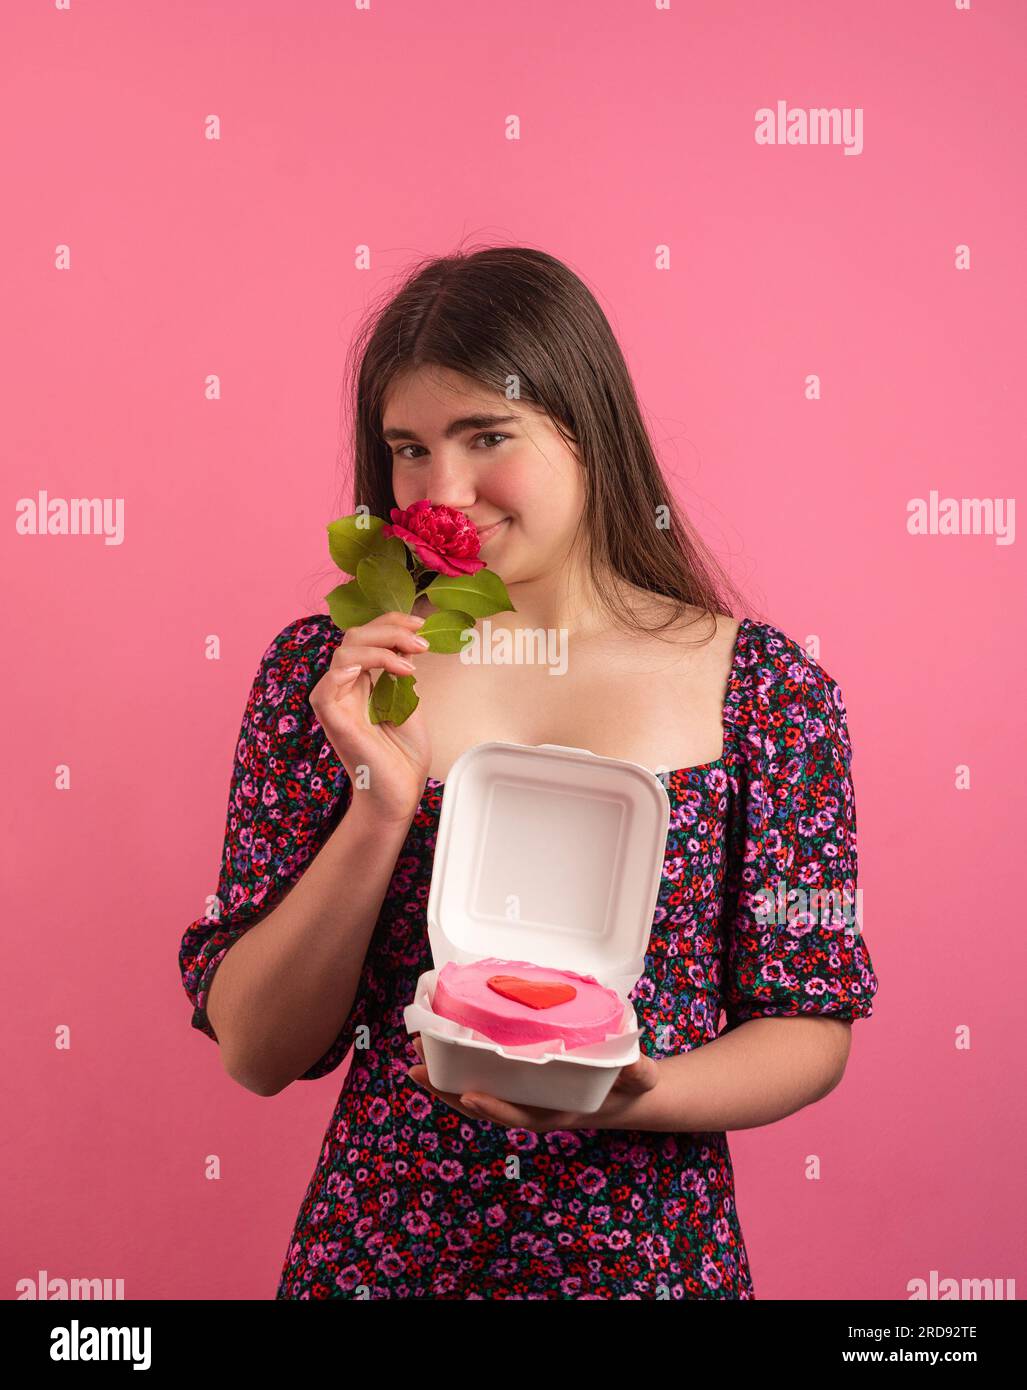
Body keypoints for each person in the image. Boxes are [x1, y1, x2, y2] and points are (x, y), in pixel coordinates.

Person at [178, 245, 879, 1299]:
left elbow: (808, 1021)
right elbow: (258, 1049)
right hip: (379, 1261)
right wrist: (379, 805)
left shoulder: (766, 692)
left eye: (486, 436)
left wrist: (619, 1097)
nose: (440, 493)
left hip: (649, 1266)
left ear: (587, 428)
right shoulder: (334, 676)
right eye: (408, 449)